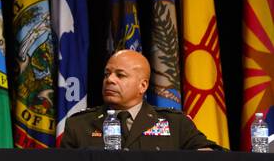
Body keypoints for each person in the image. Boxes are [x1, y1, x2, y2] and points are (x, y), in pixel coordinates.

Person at [58, 49, 219, 150]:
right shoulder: (79, 125)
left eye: (120, 75)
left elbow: (211, 156)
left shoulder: (175, 124)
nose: (110, 80)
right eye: (107, 74)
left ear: (142, 86)